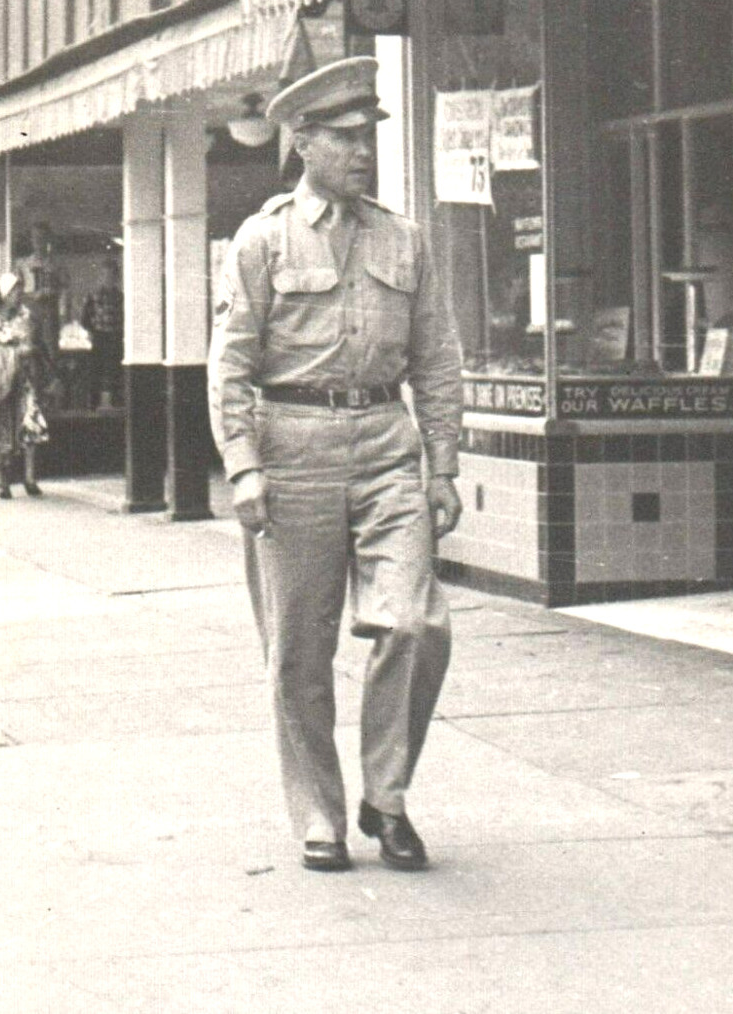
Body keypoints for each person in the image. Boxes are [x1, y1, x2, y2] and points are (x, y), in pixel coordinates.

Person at [208, 57, 463, 873]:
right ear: (304, 143)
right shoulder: (263, 238)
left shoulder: (405, 238)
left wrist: (445, 467)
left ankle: (385, 797)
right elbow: (231, 364)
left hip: (389, 445)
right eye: (347, 138)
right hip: (293, 451)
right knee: (298, 650)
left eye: (370, 137)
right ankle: (319, 813)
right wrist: (243, 465)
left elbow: (438, 360)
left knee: (417, 625)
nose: (363, 152)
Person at [0, 273, 50, 500]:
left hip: (24, 378)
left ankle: (30, 478)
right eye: (14, 291)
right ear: (3, 294)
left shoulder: (26, 316)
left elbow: (34, 344)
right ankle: (4, 481)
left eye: (20, 290)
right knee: (1, 427)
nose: (18, 295)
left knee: (30, 424)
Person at [14, 219, 67, 363]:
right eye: (35, 237)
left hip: (50, 312)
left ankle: (54, 383)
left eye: (42, 238)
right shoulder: (23, 264)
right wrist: (29, 298)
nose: (38, 242)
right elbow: (17, 292)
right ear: (31, 240)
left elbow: (64, 289)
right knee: (30, 351)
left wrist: (62, 312)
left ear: (48, 240)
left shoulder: (56, 264)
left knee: (51, 352)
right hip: (31, 312)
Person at [80, 257, 124, 408]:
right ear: (101, 276)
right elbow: (84, 318)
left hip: (116, 336)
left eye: (112, 276)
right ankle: (93, 404)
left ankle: (116, 403)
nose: (108, 279)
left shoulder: (120, 297)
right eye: (105, 275)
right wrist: (92, 331)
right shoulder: (93, 295)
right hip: (99, 336)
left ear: (116, 277)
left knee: (115, 370)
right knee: (96, 371)